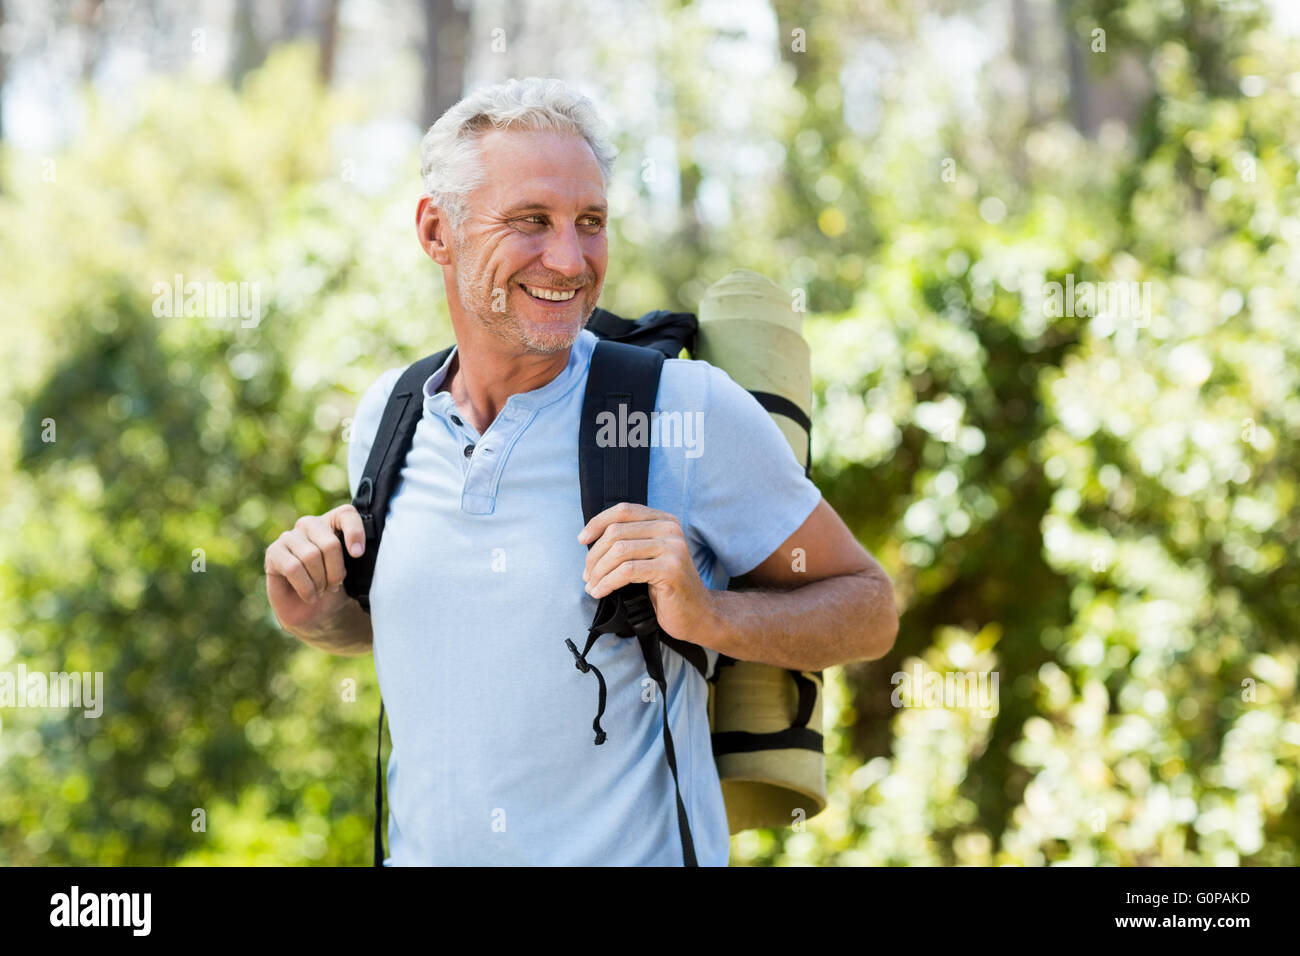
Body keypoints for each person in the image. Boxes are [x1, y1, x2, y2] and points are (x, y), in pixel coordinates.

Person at [264, 76, 898, 866]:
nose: (569, 259)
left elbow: (870, 608)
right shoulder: (385, 422)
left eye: (590, 222)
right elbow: (423, 635)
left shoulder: (682, 411)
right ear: (437, 232)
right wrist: (314, 612)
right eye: (532, 220)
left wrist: (709, 617)